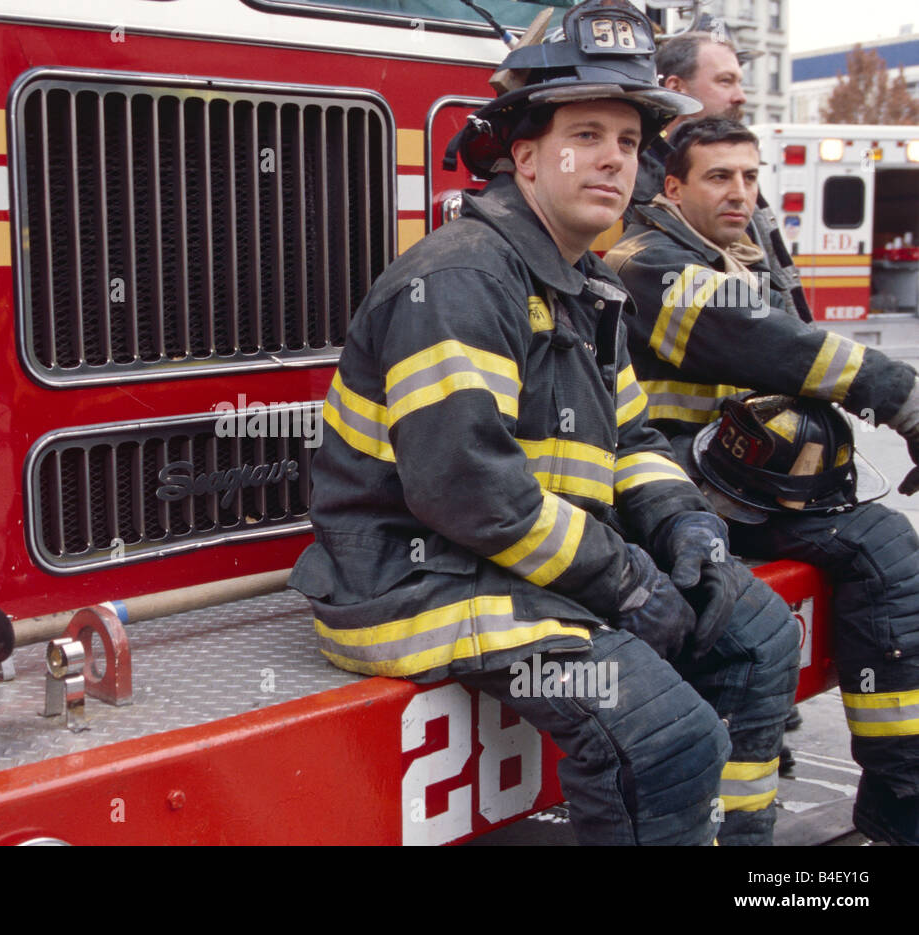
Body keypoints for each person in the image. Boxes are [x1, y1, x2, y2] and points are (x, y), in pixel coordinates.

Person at [289, 0, 800, 846]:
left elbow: (631, 440)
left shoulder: (587, 286)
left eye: (630, 143)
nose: (614, 160)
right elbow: (470, 492)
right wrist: (628, 583)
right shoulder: (460, 281)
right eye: (587, 134)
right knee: (663, 739)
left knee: (757, 634)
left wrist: (686, 527)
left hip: (515, 569)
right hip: (418, 586)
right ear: (525, 155)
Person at [606, 116, 919, 846]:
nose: (741, 192)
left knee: (885, 549)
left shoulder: (734, 254)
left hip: (743, 486)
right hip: (671, 492)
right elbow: (766, 342)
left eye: (750, 177)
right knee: (823, 589)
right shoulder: (646, 262)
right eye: (720, 177)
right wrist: (902, 399)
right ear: (673, 188)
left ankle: (901, 794)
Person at [630, 30, 812, 323]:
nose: (740, 97)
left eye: (749, 177)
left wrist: (789, 329)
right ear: (676, 87)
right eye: (725, 81)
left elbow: (766, 283)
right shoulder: (636, 182)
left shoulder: (733, 176)